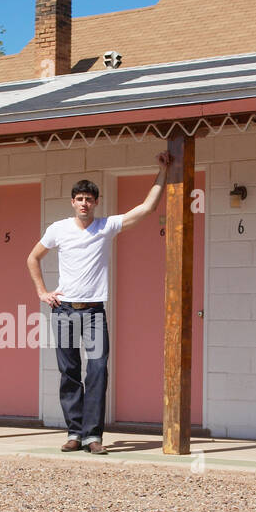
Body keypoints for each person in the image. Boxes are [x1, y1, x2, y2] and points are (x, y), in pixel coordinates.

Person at [27, 152, 171, 455]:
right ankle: (74, 433)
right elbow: (33, 257)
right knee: (68, 373)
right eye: (79, 198)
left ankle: (93, 436)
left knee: (97, 371)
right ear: (72, 202)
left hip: (93, 313)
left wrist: (163, 171)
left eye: (89, 199)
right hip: (64, 311)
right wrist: (42, 292)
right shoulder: (58, 229)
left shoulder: (106, 226)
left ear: (96, 202)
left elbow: (147, 208)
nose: (83, 203)